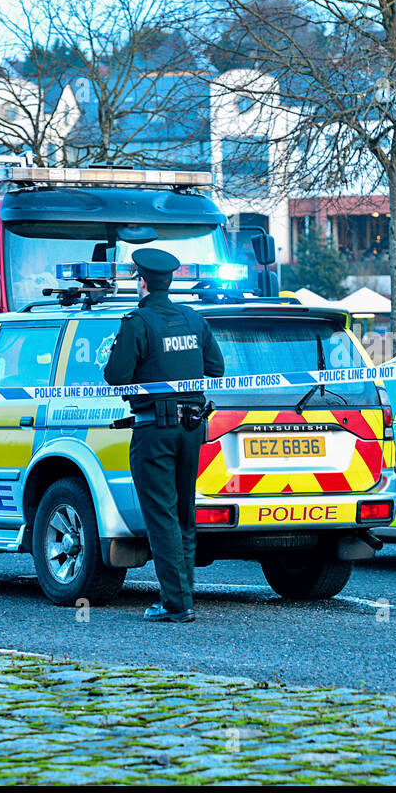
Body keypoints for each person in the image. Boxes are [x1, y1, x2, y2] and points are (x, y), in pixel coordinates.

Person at [104, 248, 225, 621]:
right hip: (191, 428)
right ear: (169, 281)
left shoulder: (137, 322)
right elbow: (216, 369)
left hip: (154, 430)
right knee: (183, 513)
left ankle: (176, 604)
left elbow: (115, 376)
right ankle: (183, 597)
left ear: (141, 281)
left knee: (161, 516)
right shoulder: (194, 319)